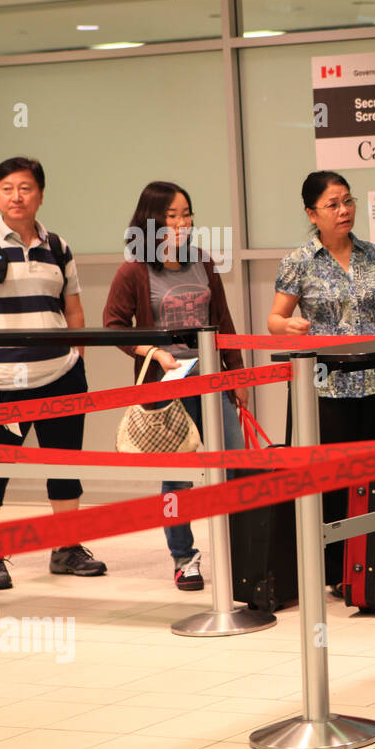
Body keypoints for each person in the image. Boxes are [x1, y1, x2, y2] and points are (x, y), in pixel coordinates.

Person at [103, 181, 248, 590]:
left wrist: (236, 374)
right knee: (179, 475)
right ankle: (184, 558)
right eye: (172, 215)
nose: (183, 222)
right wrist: (154, 351)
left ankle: (245, 549)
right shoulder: (134, 270)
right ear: (151, 220)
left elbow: (222, 320)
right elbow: (114, 327)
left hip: (211, 380)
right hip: (166, 387)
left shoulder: (202, 261)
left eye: (187, 214)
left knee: (235, 463)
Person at [268, 171, 375, 590]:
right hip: (326, 388)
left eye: (348, 201)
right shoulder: (298, 261)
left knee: (373, 477)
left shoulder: (374, 255)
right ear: (312, 213)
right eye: (333, 204)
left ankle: (371, 561)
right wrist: (287, 327)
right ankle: (333, 569)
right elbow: (275, 318)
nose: (344, 210)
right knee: (331, 479)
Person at [0, 156, 106, 589]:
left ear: (40, 194)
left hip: (61, 374)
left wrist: (78, 362)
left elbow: (75, 312)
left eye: (25, 187)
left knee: (64, 464)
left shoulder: (59, 248)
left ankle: (66, 548)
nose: (17, 196)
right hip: (4, 381)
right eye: (7, 187)